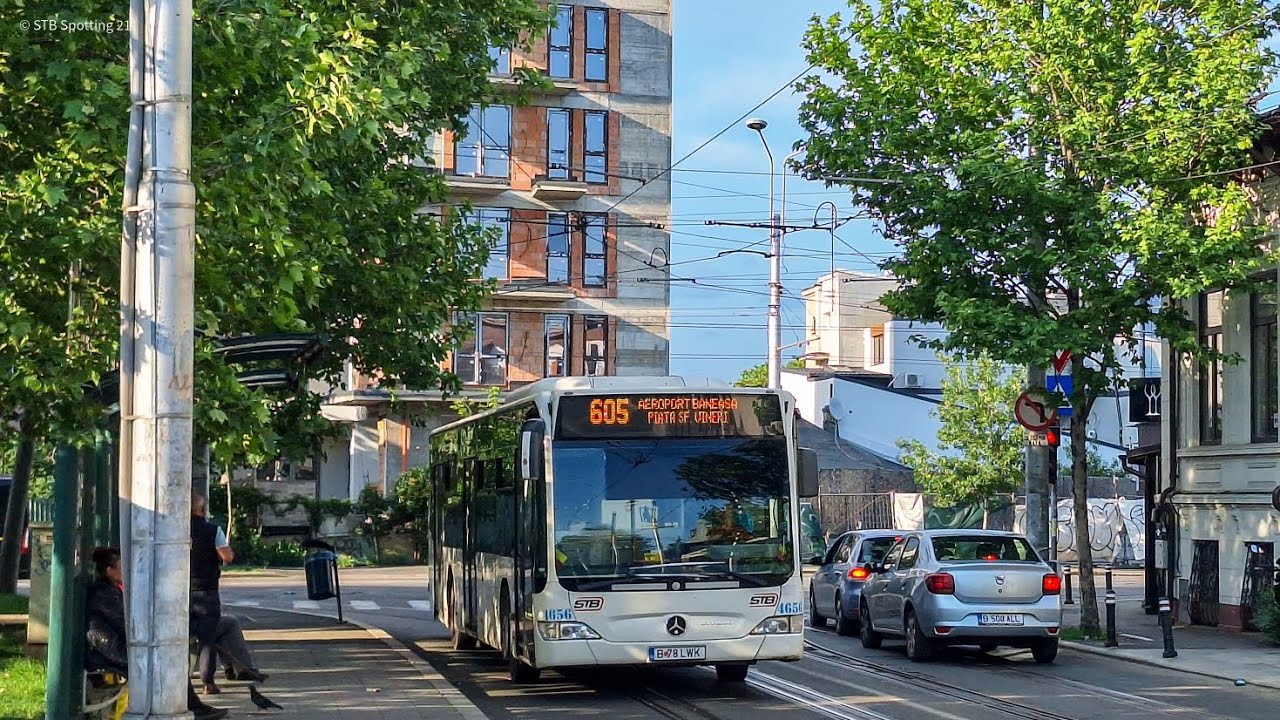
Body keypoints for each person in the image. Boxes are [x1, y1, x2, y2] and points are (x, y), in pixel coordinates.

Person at [85, 546, 229, 720]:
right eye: (122, 567)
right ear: (110, 571)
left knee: (171, 658)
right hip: (111, 651)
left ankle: (194, 707)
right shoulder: (104, 594)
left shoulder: (112, 590)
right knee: (168, 662)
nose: (128, 571)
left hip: (116, 646)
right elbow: (128, 624)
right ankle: (194, 708)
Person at [191, 491, 232, 695]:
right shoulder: (212, 530)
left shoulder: (172, 529)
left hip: (180, 592)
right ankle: (207, 682)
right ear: (202, 509)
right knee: (207, 639)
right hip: (206, 590)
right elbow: (227, 555)